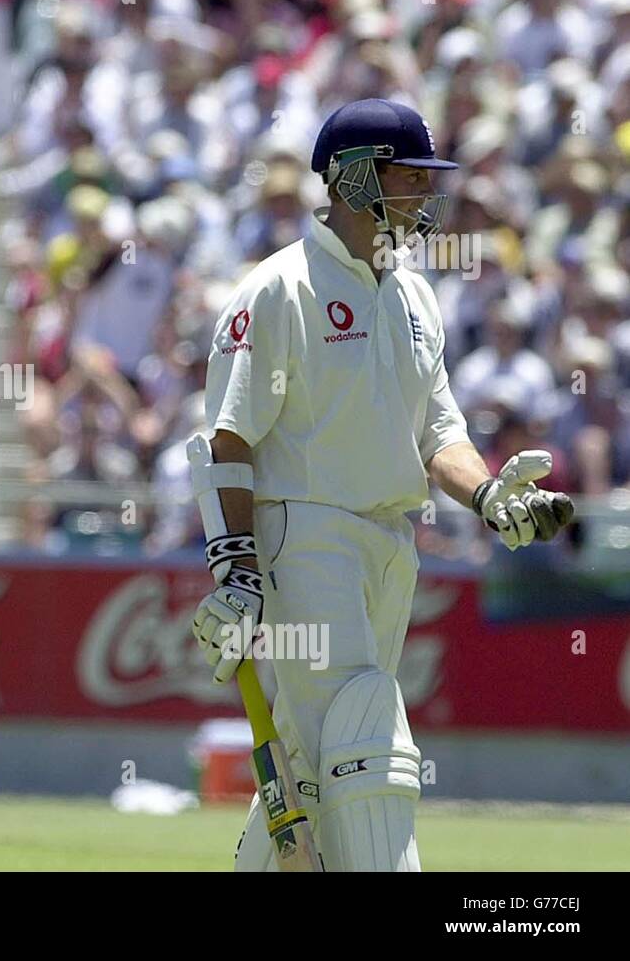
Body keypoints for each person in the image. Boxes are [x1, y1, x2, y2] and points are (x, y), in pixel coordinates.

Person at [186, 98, 574, 871]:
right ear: (355, 176)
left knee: (319, 766)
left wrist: (493, 498)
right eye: (409, 176)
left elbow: (440, 434)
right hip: (306, 538)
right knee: (368, 751)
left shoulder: (414, 296)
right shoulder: (281, 288)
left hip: (391, 546)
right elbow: (228, 436)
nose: (425, 197)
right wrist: (235, 566)